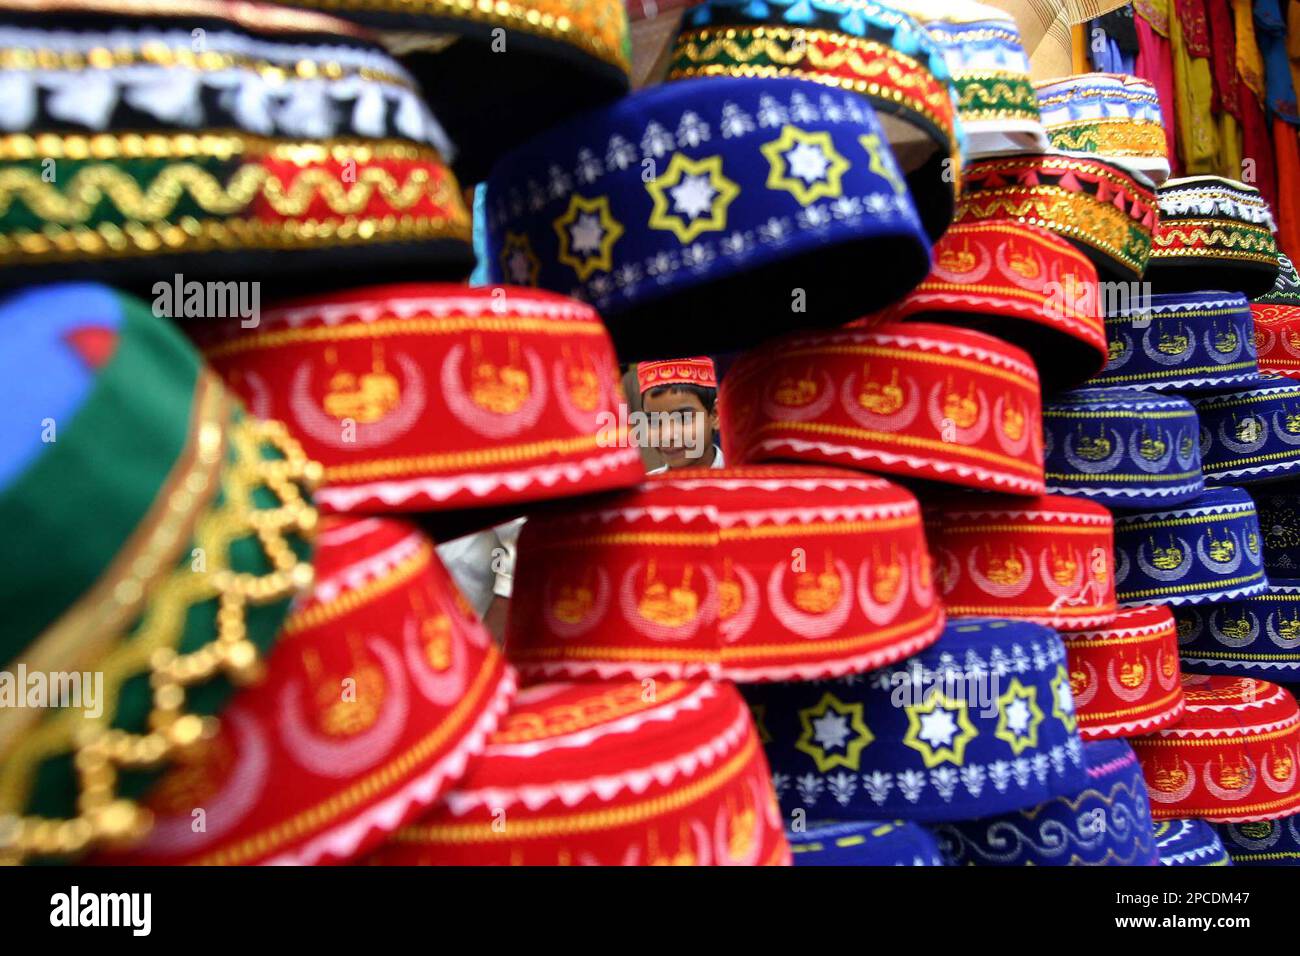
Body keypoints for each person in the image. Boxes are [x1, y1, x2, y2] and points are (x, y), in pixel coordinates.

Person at [635, 357, 725, 473]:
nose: (667, 436)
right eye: (654, 422)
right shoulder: (647, 488)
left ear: (715, 415)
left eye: (683, 418)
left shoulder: (744, 481)